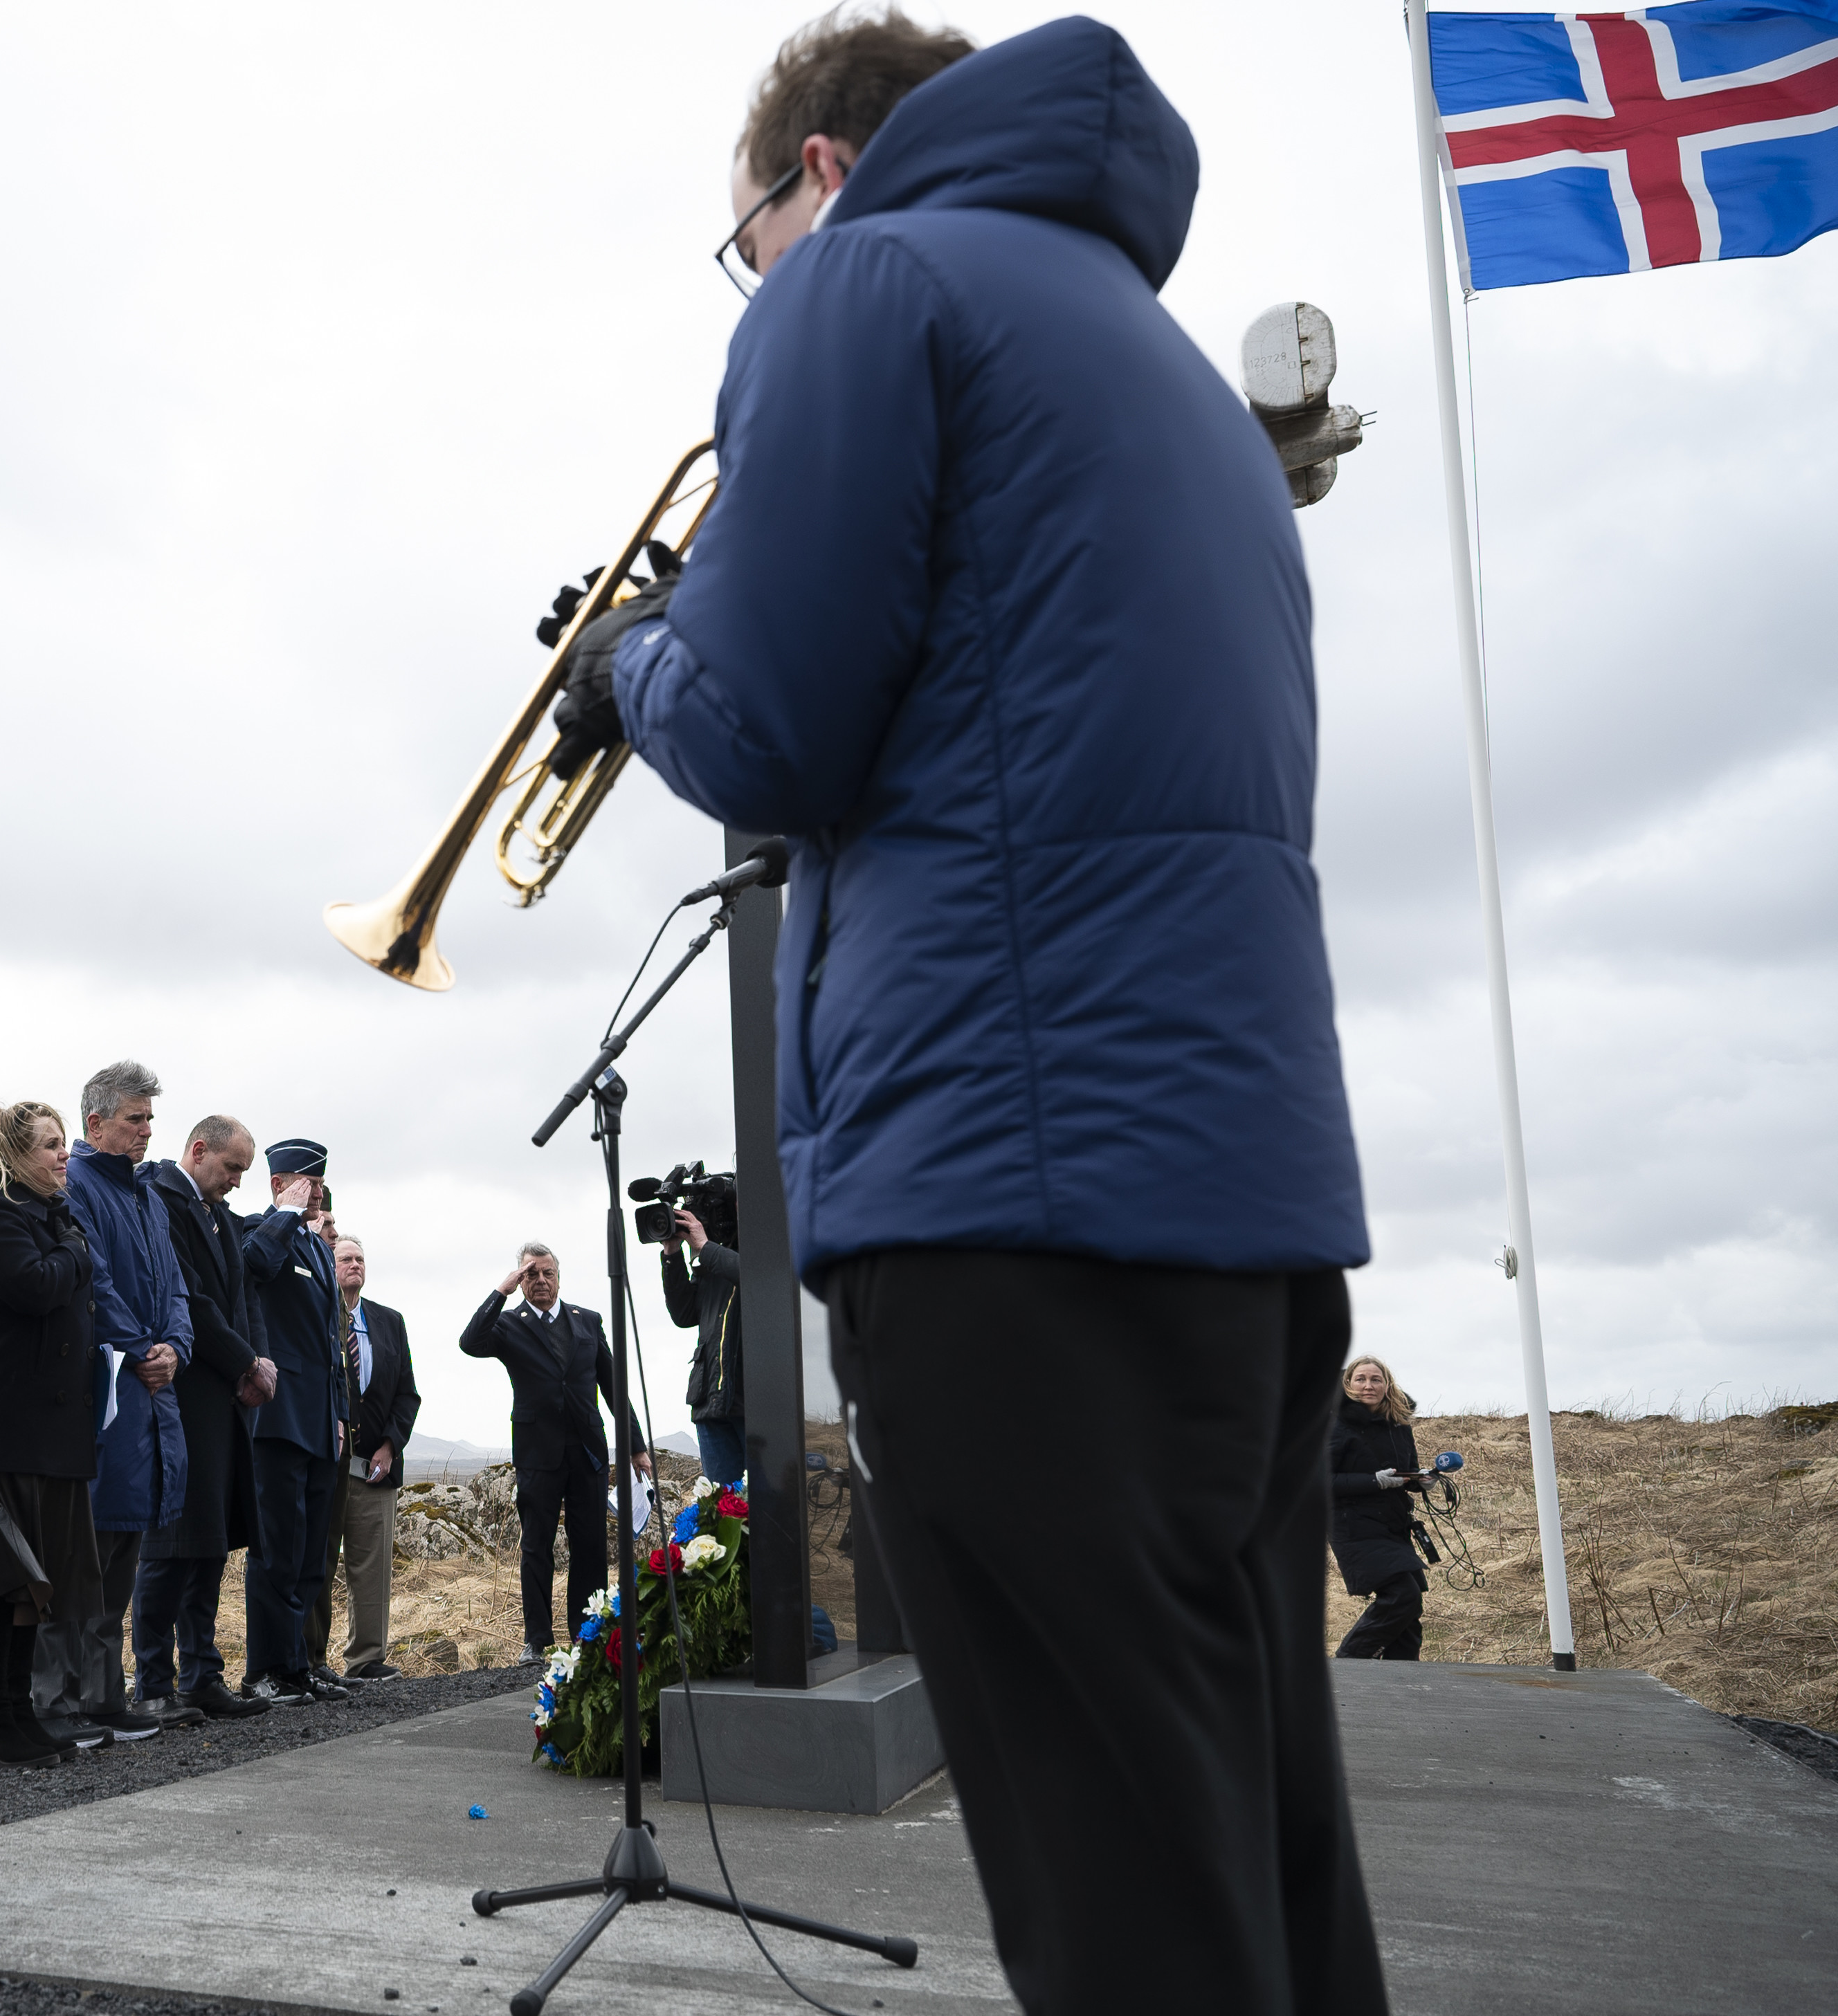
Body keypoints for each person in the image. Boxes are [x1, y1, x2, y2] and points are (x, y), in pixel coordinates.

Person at [547, 15, 1384, 2010]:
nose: (750, 271)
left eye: (740, 232)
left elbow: (767, 725)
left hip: (1005, 1186)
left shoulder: (863, 281)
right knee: (1248, 1847)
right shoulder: (1155, 367)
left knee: (1114, 1899)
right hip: (1235, 1196)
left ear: (815, 173)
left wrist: (624, 661)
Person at [0, 1101, 102, 1770]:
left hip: (54, 1434)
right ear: (15, 1155)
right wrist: (74, 1253)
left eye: (64, 1143)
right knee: (6, 1578)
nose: (63, 1155)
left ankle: (19, 1715)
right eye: (49, 1145)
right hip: (7, 1429)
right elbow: (38, 1288)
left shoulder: (55, 1218)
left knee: (38, 1585)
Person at [49, 1061, 188, 1742]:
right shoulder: (78, 1188)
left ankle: (105, 1697)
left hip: (149, 1398)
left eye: (150, 1118)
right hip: (110, 1395)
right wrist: (143, 1351)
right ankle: (67, 1701)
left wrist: (176, 1349)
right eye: (136, 1118)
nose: (147, 1130)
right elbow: (95, 1285)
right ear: (96, 1121)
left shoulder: (149, 1197)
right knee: (86, 1560)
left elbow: (176, 1289)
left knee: (123, 1558)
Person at [140, 1116, 275, 1722]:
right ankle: (152, 1682)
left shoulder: (218, 1214)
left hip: (222, 1397)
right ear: (198, 1151)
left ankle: (200, 1674)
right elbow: (189, 1296)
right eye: (231, 1169)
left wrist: (256, 1361)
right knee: (171, 1546)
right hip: (183, 1391)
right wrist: (242, 1361)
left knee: (210, 1544)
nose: (237, 1183)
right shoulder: (161, 1200)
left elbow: (242, 1294)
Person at [458, 1242, 644, 1662]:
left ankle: (587, 1634)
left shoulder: (587, 1321)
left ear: (558, 1278)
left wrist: (635, 1448)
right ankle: (537, 1640)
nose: (541, 1281)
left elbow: (615, 1388)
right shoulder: (508, 1325)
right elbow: (469, 1342)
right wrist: (501, 1291)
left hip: (588, 1453)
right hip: (537, 1453)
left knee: (591, 1546)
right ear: (521, 1280)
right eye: (531, 1274)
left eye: (548, 1273)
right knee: (537, 1546)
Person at [238, 1139, 352, 1707]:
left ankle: (296, 1664)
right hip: (278, 1419)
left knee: (311, 1554)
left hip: (317, 1422)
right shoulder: (264, 1230)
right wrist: (284, 1211)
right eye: (307, 1183)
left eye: (321, 1184)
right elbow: (253, 1268)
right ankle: (264, 1669)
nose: (318, 1192)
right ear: (281, 1183)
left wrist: (338, 1415)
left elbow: (330, 1346)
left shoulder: (314, 1244)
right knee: (276, 1550)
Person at [312, 1235, 419, 1683]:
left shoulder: (388, 1322)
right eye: (344, 1259)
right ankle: (309, 1660)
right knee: (317, 1564)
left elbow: (406, 1393)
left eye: (359, 1259)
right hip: (323, 1463)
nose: (354, 1265)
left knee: (372, 1568)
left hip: (375, 1471)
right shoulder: (315, 1313)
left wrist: (390, 1446)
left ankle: (365, 1659)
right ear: (327, 1265)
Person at [1329, 1357, 1430, 1662]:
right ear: (1349, 1385)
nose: (1368, 1386)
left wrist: (1421, 1481)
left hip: (1394, 1524)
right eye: (1360, 1379)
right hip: (1352, 1526)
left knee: (1410, 1610)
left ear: (1388, 1385)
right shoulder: (1334, 1424)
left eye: (1376, 1379)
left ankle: (1402, 1681)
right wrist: (1373, 1481)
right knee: (1403, 1595)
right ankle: (1347, 1663)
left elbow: (1404, 1472)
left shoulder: (1398, 1425)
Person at [659, 1209, 747, 1490]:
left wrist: (705, 1248)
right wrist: (673, 1253)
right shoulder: (713, 1262)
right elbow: (684, 1315)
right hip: (711, 1402)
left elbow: (756, 1279)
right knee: (722, 1509)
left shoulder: (764, 1248)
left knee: (767, 1504)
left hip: (755, 1403)